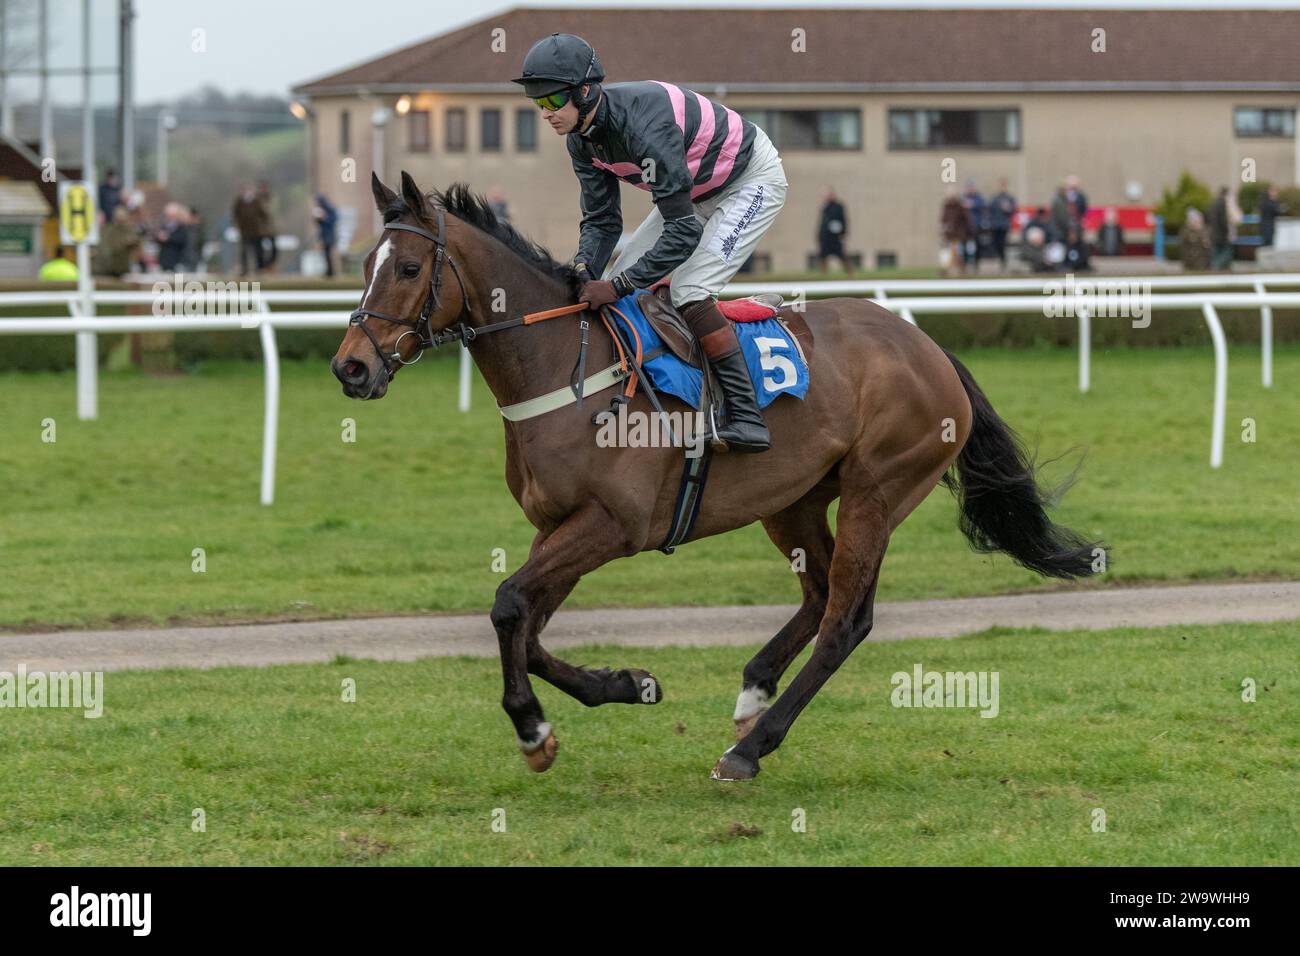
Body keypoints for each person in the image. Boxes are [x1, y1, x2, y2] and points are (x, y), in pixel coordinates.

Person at [512, 33, 786, 453]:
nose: (546, 114)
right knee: (616, 284)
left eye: (551, 101)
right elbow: (603, 221)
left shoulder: (643, 128)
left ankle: (746, 415)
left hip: (749, 182)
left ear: (584, 92)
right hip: (693, 191)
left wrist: (617, 286)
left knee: (690, 289)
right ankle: (644, 393)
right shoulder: (580, 141)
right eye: (538, 104)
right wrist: (586, 268)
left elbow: (682, 234)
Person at [95, 206, 141, 277]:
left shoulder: (130, 229)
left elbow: (137, 245)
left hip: (123, 267)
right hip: (109, 267)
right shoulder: (109, 230)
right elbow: (110, 246)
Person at [232, 185, 265, 276]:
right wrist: (237, 225)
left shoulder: (256, 202)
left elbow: (263, 215)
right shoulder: (239, 202)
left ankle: (259, 269)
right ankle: (244, 269)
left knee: (258, 251)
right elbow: (235, 214)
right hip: (244, 231)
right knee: (244, 251)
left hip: (256, 231)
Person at [940, 187, 970, 277]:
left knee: (955, 251)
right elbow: (943, 219)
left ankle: (951, 270)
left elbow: (965, 219)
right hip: (949, 234)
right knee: (952, 252)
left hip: (958, 234)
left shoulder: (960, 206)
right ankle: (958, 269)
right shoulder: (946, 206)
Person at [817, 188, 849, 272]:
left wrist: (843, 232)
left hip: (835, 236)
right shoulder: (825, 207)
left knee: (841, 255)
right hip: (826, 237)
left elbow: (843, 220)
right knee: (823, 256)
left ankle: (850, 273)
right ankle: (824, 274)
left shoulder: (838, 207)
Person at [987, 179, 1016, 270]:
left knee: (1002, 243)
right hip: (995, 224)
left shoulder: (1009, 198)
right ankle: (999, 258)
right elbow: (990, 209)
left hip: (1004, 225)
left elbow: (1013, 210)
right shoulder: (995, 198)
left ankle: (1003, 260)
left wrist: (1008, 209)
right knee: (995, 243)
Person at [312, 193, 339, 278]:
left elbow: (334, 220)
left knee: (328, 254)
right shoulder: (320, 209)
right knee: (325, 254)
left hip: (330, 235)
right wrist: (317, 218)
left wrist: (325, 218)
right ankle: (329, 271)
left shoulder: (330, 209)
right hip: (324, 235)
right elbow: (319, 224)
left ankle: (331, 272)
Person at [960, 179, 985, 269]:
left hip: (976, 225)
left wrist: (972, 205)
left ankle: (976, 263)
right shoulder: (963, 198)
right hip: (965, 227)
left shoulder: (978, 198)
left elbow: (982, 206)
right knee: (964, 245)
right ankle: (965, 263)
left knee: (977, 244)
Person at [1208, 187, 1233, 270]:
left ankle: (1217, 268)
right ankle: (1216, 266)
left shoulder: (1213, 203)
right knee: (1227, 252)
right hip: (1221, 234)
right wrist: (1227, 232)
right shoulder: (1222, 203)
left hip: (1213, 233)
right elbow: (1223, 220)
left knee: (1216, 253)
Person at [257, 181, 278, 273]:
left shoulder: (272, 198)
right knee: (259, 249)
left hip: (271, 227)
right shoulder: (257, 199)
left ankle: (270, 264)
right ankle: (261, 267)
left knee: (274, 248)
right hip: (260, 228)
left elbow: (273, 212)